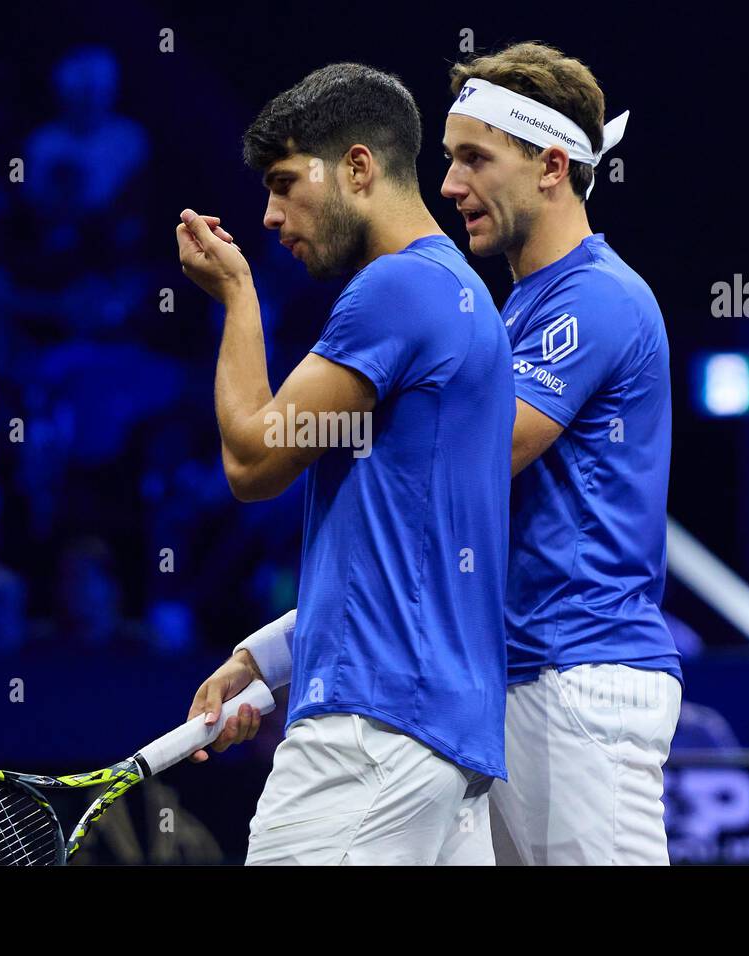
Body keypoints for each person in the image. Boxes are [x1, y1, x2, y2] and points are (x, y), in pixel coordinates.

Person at [176, 63, 513, 865]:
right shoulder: (468, 304)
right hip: (446, 750)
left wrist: (237, 298)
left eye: (287, 183)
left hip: (367, 743)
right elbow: (403, 559)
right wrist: (269, 655)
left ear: (358, 167)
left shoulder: (394, 290)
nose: (267, 214)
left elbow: (254, 460)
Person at [439, 42, 682, 864]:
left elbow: (471, 460)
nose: (449, 185)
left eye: (474, 158)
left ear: (551, 165)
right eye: (449, 159)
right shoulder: (519, 315)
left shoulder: (599, 297)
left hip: (581, 676)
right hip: (519, 681)